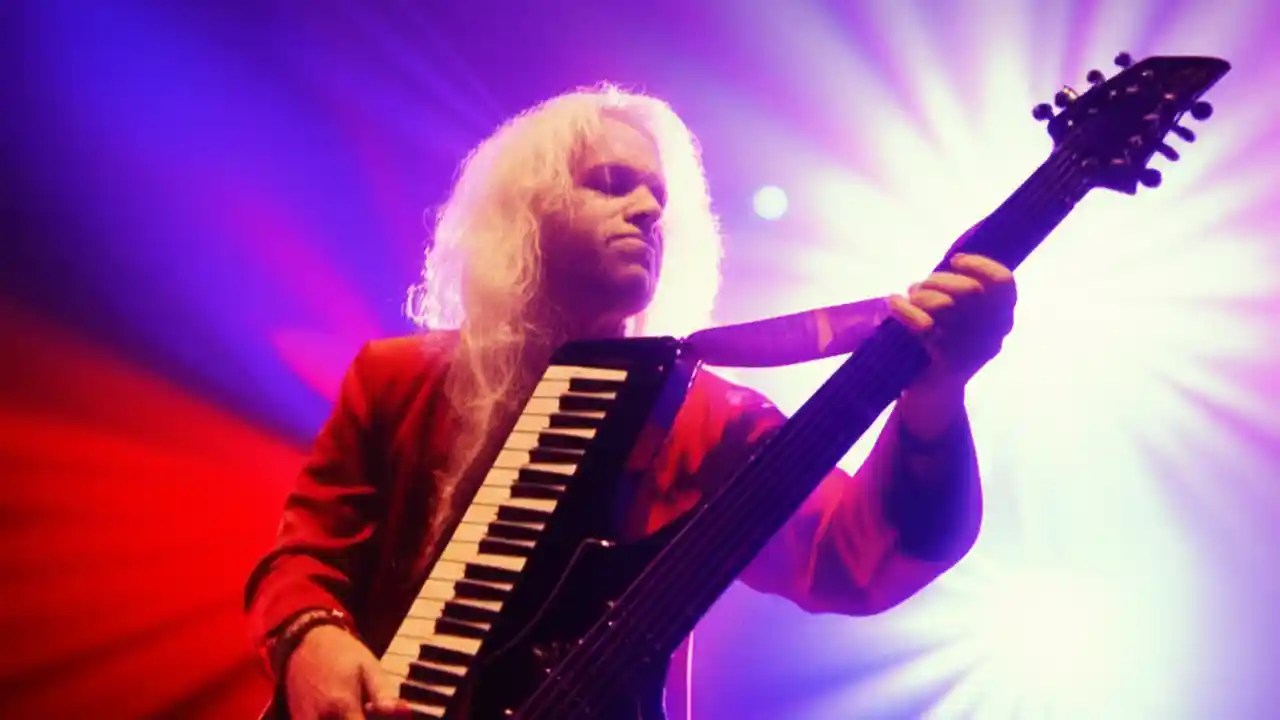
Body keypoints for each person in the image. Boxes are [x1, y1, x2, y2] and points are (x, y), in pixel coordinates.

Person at [243, 84, 1016, 720]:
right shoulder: (396, 377)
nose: (648, 211)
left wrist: (936, 396)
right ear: (529, 210)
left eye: (658, 197)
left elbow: (851, 560)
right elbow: (305, 550)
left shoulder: (708, 415)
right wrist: (310, 639)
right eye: (612, 184)